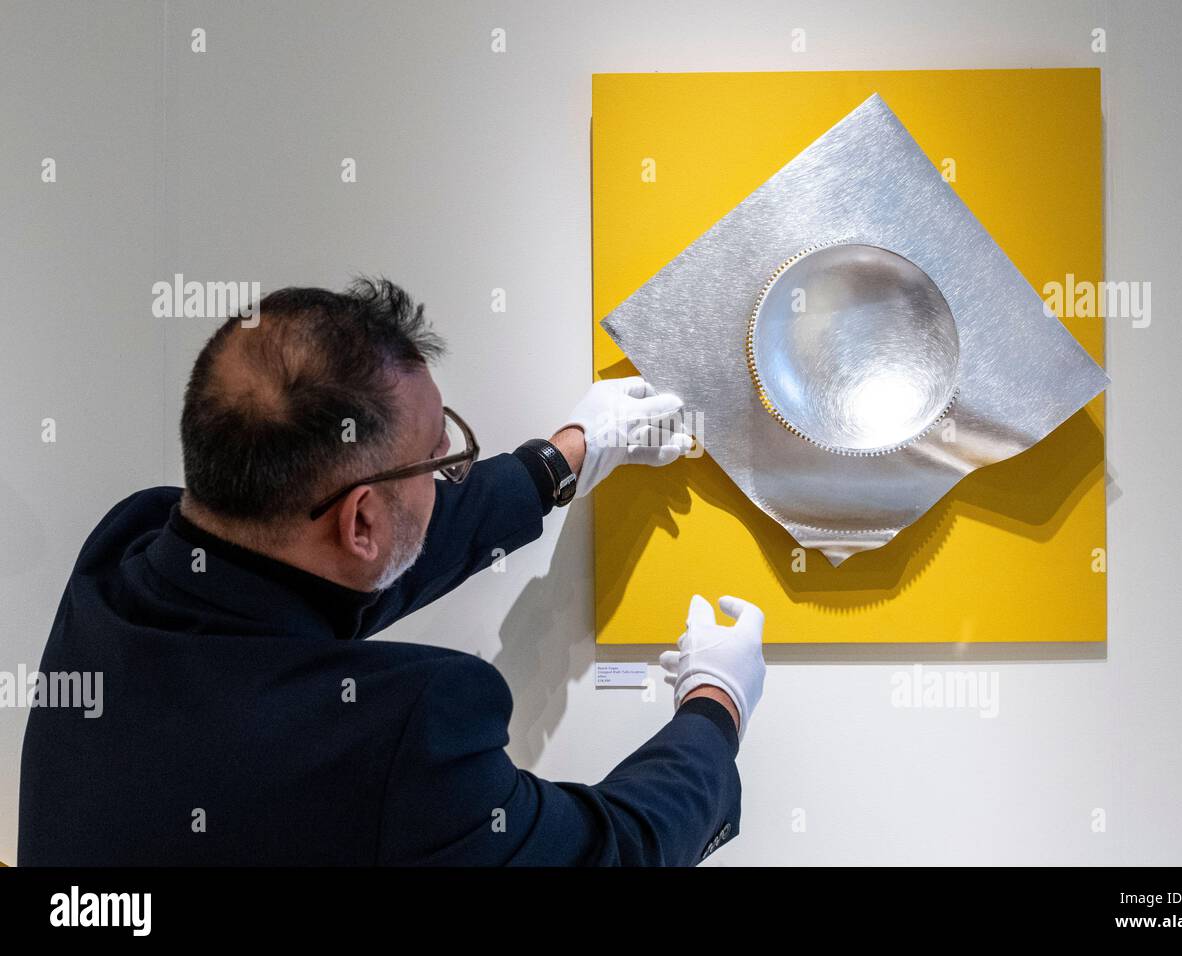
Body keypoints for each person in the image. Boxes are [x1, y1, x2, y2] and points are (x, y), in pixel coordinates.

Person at [18, 278, 767, 866]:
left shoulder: (128, 560)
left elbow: (354, 573)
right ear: (363, 520)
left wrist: (566, 454)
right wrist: (713, 707)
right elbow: (611, 852)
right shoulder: (404, 739)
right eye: (440, 457)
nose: (447, 476)